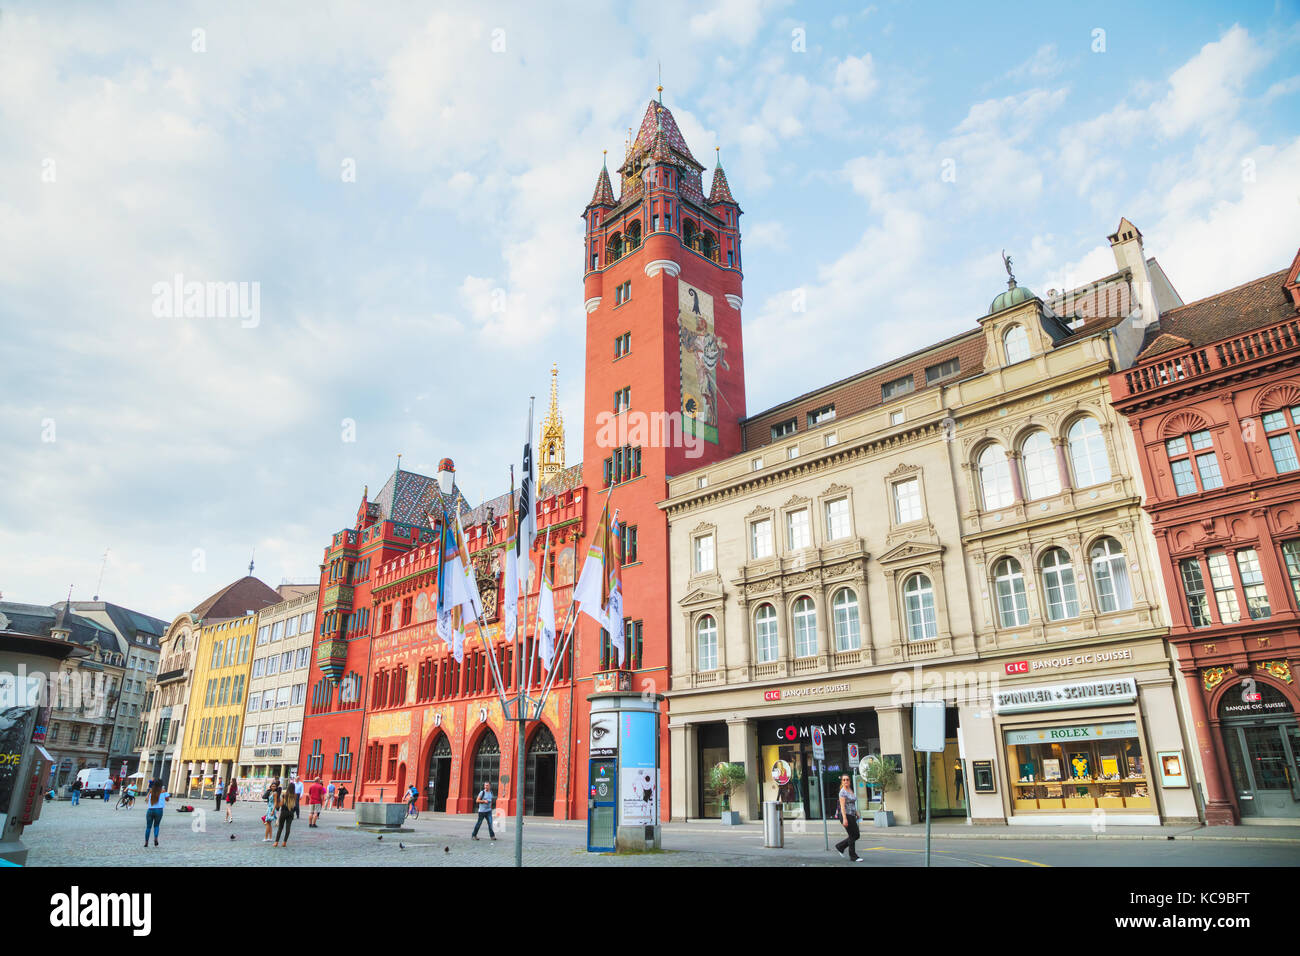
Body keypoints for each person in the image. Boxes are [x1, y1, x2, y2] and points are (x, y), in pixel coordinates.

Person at [834, 775, 863, 863]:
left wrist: (857, 813)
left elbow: (852, 804)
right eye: (844, 780)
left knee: (856, 835)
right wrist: (845, 819)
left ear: (849, 781)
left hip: (851, 815)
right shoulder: (842, 792)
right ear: (842, 782)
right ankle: (853, 856)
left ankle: (840, 846)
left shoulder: (850, 790)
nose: (846, 781)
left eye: (847, 779)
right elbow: (842, 807)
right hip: (845, 815)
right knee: (852, 835)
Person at [144, 780, 169, 847]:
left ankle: (146, 842)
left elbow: (146, 800)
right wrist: (164, 793)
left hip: (150, 810)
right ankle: (155, 837)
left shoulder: (151, 791)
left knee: (148, 827)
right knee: (156, 825)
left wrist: (149, 794)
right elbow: (167, 799)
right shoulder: (163, 791)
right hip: (159, 810)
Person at [273, 779, 297, 847]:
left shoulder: (284, 795)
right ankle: (284, 842)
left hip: (284, 812)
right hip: (291, 812)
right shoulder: (295, 795)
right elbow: (294, 804)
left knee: (280, 828)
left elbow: (281, 804)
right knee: (288, 828)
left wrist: (277, 803)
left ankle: (276, 842)